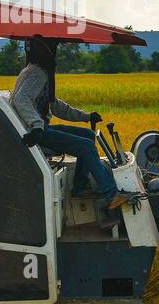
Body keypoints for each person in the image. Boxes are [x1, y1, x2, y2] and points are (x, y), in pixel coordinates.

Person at [10, 35, 133, 211]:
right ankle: (111, 194)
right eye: (53, 48)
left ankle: (80, 187)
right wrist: (37, 126)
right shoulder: (37, 73)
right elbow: (21, 99)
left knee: (89, 136)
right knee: (85, 147)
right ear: (46, 51)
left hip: (41, 128)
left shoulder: (36, 70)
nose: (55, 53)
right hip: (37, 132)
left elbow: (54, 105)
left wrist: (86, 116)